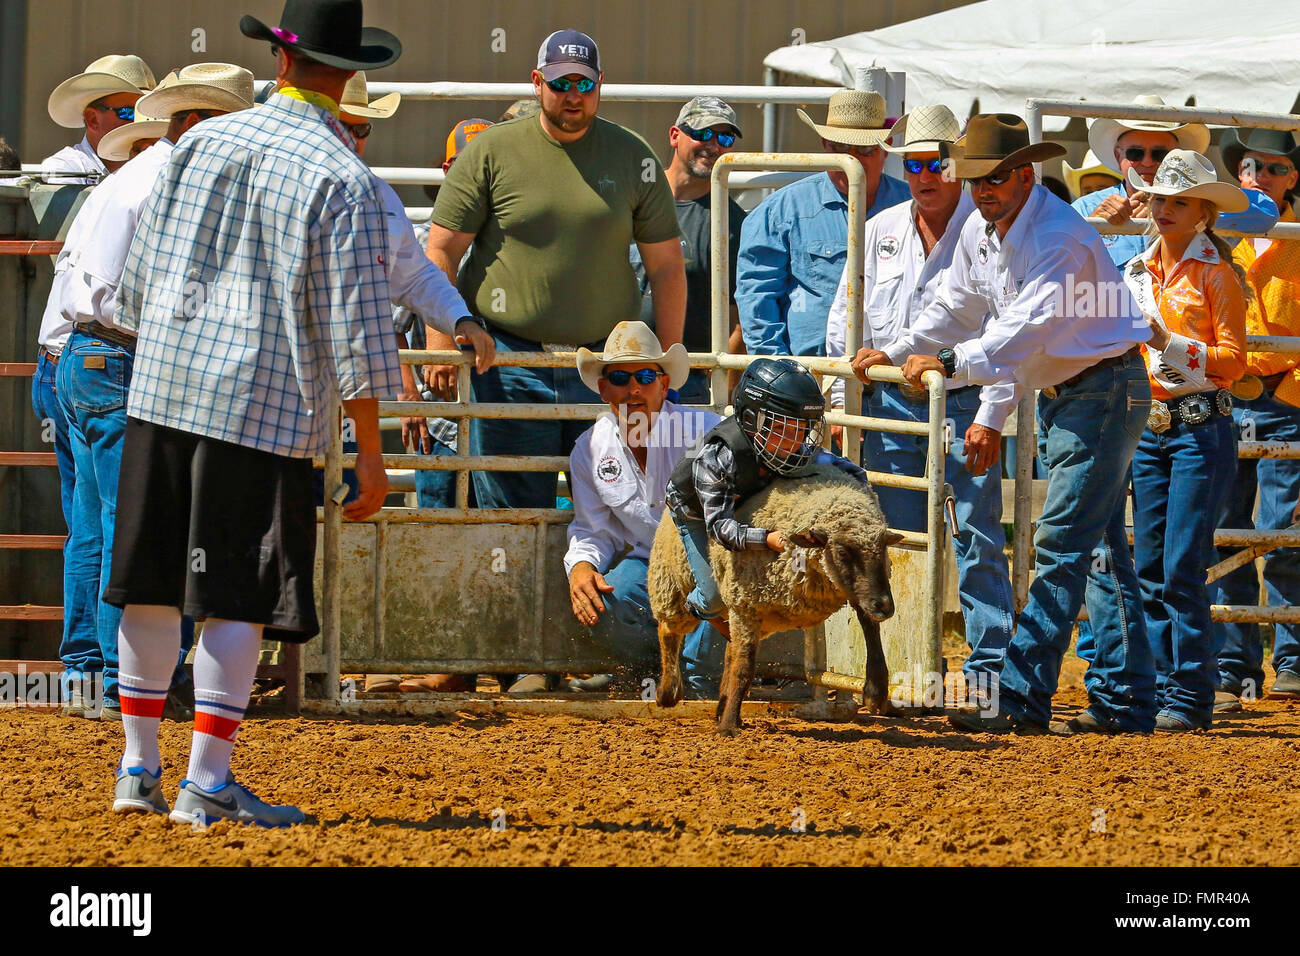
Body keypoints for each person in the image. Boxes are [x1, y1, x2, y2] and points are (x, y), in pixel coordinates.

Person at [105, 0, 402, 828]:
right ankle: (205, 784)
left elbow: (139, 283)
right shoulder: (342, 176)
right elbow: (358, 326)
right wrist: (369, 451)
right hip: (261, 410)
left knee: (151, 586)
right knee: (236, 597)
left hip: (163, 391)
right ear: (351, 79)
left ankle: (137, 769)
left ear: (280, 60)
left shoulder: (201, 140)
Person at [857, 114, 1155, 735]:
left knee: (1064, 544)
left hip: (1100, 390)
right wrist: (900, 346)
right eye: (976, 179)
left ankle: (1019, 696)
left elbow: (1020, 330)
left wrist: (946, 362)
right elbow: (961, 304)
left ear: (1025, 175)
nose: (983, 189)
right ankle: (1127, 699)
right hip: (1080, 389)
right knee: (1094, 546)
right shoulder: (990, 229)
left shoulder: (1057, 238)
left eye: (995, 178)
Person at [54, 64, 255, 721]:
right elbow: (127, 298)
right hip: (118, 356)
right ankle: (122, 683)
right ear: (198, 123)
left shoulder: (134, 176)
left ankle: (92, 673)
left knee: (97, 523)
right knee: (130, 526)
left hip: (87, 356)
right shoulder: (168, 180)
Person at [425, 29, 685, 510]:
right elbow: (441, 249)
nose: (573, 95)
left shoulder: (633, 156)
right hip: (507, 362)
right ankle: (518, 588)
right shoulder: (490, 151)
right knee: (512, 512)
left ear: (600, 86)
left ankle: (607, 587)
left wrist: (664, 366)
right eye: (562, 82)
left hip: (612, 366)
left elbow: (667, 266)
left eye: (585, 85)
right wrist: (440, 341)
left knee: (622, 508)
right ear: (537, 82)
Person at [831, 105, 1015, 686]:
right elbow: (845, 315)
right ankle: (908, 668)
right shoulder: (881, 227)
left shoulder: (986, 231)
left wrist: (990, 410)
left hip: (962, 400)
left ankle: (990, 673)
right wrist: (842, 401)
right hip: (887, 407)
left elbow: (1005, 327)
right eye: (914, 164)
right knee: (896, 542)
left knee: (979, 538)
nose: (926, 176)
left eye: (937, 163)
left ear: (956, 166)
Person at [334, 80, 495, 695]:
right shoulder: (414, 221)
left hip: (467, 404)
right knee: (431, 520)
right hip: (426, 407)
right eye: (461, 168)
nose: (469, 181)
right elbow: (393, 308)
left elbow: (402, 290)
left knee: (483, 526)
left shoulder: (397, 211)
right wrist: (408, 387)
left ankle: (464, 658)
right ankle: (412, 652)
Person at [1125, 150, 1248, 731]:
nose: (1165, 209)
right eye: (1159, 199)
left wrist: (1162, 339)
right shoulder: (1135, 271)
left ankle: (1190, 693)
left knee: (1177, 565)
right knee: (1152, 563)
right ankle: (1170, 688)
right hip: (1153, 428)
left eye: (1179, 201)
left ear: (1202, 213)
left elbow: (1233, 363)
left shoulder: (1216, 275)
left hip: (1200, 427)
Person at [566, 321, 724, 694]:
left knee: (710, 631)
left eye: (646, 376)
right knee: (606, 602)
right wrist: (582, 567)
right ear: (604, 389)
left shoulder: (707, 431)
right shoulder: (589, 449)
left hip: (716, 560)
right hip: (652, 565)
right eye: (620, 376)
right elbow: (593, 530)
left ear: (664, 386)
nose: (633, 388)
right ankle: (655, 672)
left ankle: (695, 677)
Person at [665, 358, 873, 633]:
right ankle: (698, 609)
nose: (794, 441)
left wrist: (862, 506)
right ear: (751, 420)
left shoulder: (791, 448)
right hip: (695, 510)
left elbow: (847, 469)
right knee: (715, 597)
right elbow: (719, 528)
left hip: (743, 493)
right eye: (781, 429)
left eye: (802, 429)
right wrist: (766, 539)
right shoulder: (718, 457)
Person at [1212, 127, 1300, 707]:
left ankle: (1291, 660)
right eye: (1251, 167)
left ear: (1292, 177)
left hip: (1288, 394)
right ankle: (1232, 664)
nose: (1260, 176)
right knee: (1223, 530)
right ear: (1238, 173)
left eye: (1273, 168)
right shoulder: (1215, 231)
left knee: (1285, 533)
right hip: (1227, 389)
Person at [736, 89, 909, 359]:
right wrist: (778, 368)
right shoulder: (782, 210)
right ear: (824, 145)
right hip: (813, 373)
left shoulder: (913, 206)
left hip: (897, 373)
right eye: (839, 148)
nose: (850, 159)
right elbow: (757, 297)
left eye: (864, 149)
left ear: (884, 148)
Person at [630, 96, 747, 404]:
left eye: (725, 138)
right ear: (674, 136)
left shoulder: (732, 223)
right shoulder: (631, 199)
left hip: (685, 381)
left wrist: (721, 392)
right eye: (703, 133)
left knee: (681, 454)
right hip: (616, 369)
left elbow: (739, 324)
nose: (714, 145)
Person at [1073, 95, 1275, 268]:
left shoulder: (1199, 202)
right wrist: (1090, 228)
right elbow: (1057, 261)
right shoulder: (1087, 208)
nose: (1148, 161)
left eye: (1160, 154)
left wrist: (1189, 213)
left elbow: (1266, 212)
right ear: (1119, 156)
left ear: (1177, 157)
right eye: (1135, 153)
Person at [43, 54, 155, 183]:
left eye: (144, 112)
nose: (140, 120)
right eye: (128, 112)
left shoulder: (156, 162)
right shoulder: (65, 168)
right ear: (93, 120)